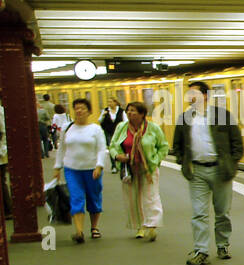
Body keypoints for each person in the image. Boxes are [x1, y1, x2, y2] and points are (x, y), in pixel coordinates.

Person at [173, 80, 243, 265]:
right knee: (199, 213)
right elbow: (177, 145)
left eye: (193, 93)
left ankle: (222, 244)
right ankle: (201, 250)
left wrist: (231, 162)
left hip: (221, 171)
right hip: (197, 172)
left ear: (205, 96)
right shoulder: (184, 119)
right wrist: (183, 161)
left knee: (222, 213)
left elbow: (237, 143)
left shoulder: (223, 116)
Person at [108, 101, 168, 241]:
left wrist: (154, 160)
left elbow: (163, 147)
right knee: (133, 198)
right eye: (128, 110)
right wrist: (117, 156)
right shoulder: (121, 127)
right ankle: (140, 226)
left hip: (148, 168)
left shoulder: (153, 128)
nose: (129, 113)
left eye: (133, 111)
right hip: (129, 168)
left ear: (142, 114)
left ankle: (152, 225)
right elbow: (112, 146)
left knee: (150, 196)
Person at [53, 98, 107, 243]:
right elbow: (61, 149)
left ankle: (94, 227)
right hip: (72, 169)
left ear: (89, 111)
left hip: (92, 169)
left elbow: (102, 149)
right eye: (76, 108)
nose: (79, 110)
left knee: (94, 198)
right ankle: (79, 231)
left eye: (82, 108)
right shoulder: (67, 128)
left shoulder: (96, 129)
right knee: (76, 197)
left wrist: (99, 165)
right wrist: (57, 167)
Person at [0, 90, 10, 217]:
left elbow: (2, 132)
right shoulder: (2, 110)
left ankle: (7, 209)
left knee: (2, 182)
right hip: (2, 150)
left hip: (1, 151)